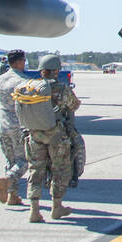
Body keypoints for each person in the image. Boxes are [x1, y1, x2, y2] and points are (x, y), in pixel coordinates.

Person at [20, 54, 80, 222]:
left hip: (34, 134)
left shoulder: (31, 87)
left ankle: (34, 210)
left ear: (41, 71)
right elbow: (74, 105)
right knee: (60, 169)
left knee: (35, 170)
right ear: (56, 71)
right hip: (56, 135)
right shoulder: (61, 88)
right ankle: (57, 207)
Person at [0, 49, 29, 205]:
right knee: (24, 161)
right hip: (17, 126)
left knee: (10, 161)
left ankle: (12, 196)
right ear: (20, 61)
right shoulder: (23, 81)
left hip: (2, 124)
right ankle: (7, 180)